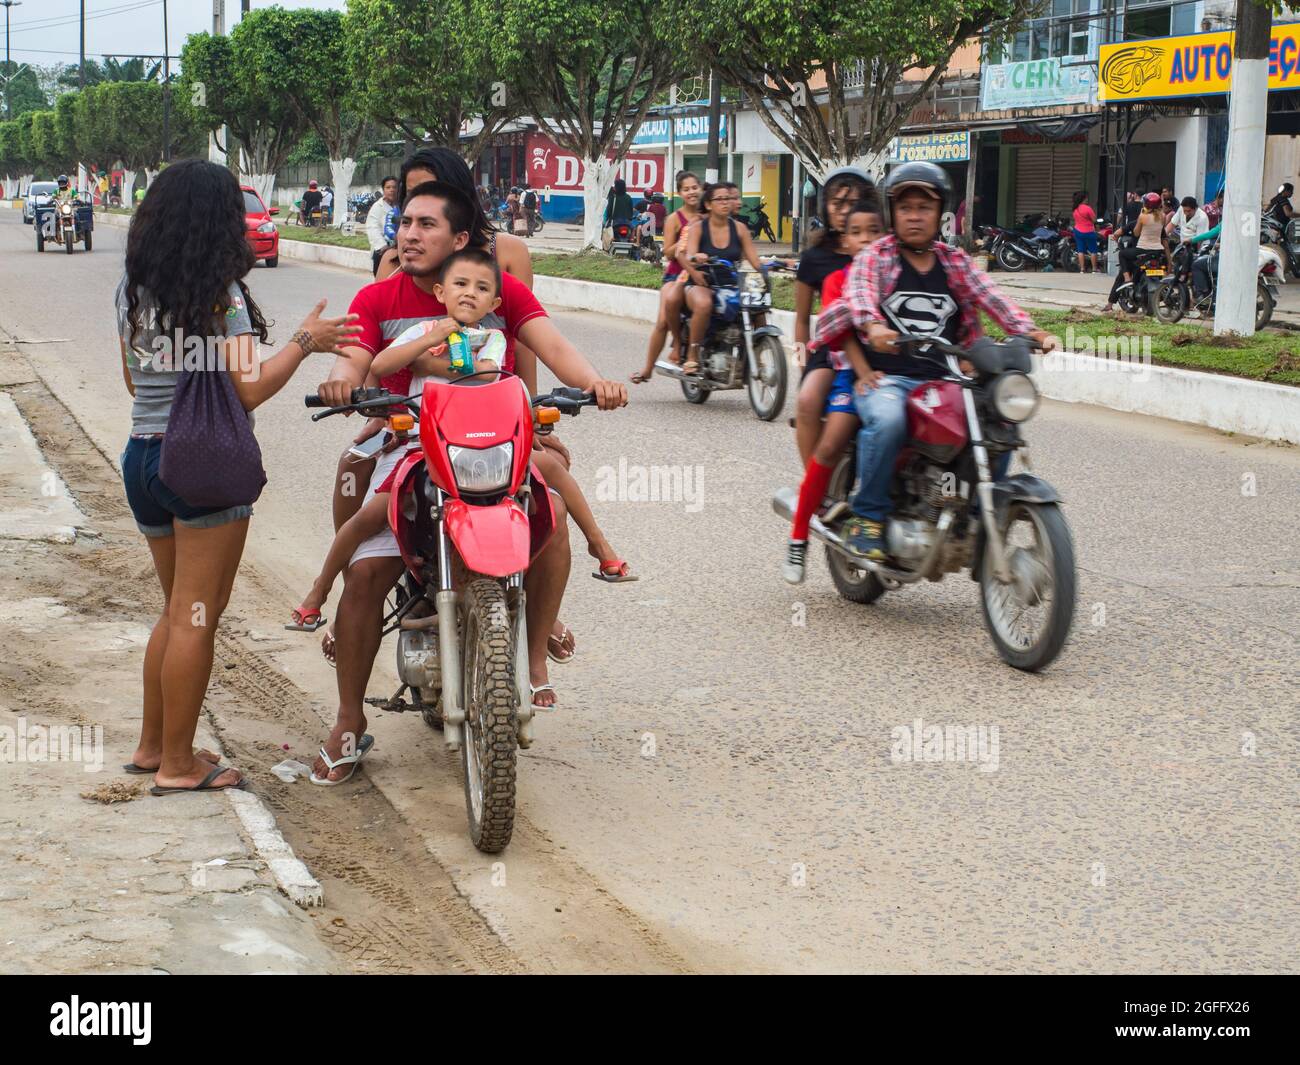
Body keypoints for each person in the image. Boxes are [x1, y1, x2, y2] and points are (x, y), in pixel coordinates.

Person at [310, 181, 628, 782]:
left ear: (459, 238)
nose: (409, 234)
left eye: (427, 225)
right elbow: (354, 360)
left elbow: (553, 346)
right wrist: (341, 381)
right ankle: (349, 720)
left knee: (551, 523)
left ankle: (534, 648)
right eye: (405, 222)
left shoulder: (493, 289)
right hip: (408, 448)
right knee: (369, 571)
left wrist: (598, 382)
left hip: (489, 453)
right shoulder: (378, 296)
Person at [116, 158, 360, 793]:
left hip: (143, 455)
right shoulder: (219, 298)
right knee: (198, 614)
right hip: (198, 464)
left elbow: (132, 380)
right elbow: (248, 390)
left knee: (175, 611)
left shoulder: (132, 290)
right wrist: (307, 342)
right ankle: (178, 765)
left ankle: (151, 747)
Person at [370, 148, 624, 661]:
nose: (418, 218)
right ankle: (354, 600)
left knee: (547, 496)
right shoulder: (394, 269)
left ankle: (536, 619)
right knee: (357, 485)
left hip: (495, 414)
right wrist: (378, 409)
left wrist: (534, 411)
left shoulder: (501, 265)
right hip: (416, 417)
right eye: (411, 203)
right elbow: (382, 352)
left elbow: (527, 341)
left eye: (434, 198)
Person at [813, 161, 1055, 561]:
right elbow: (858, 295)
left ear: (939, 213)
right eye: (905, 207)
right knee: (888, 420)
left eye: (923, 208)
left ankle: (978, 515)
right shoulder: (877, 257)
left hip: (947, 378)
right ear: (892, 213)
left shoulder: (953, 261)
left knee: (998, 420)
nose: (914, 216)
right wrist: (873, 326)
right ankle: (868, 517)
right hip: (887, 378)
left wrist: (1032, 332)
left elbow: (991, 298)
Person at [288, 248, 509, 633]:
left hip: (471, 450)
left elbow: (490, 375)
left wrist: (428, 364)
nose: (470, 293)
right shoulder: (423, 332)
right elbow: (381, 365)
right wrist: (431, 340)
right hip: (421, 448)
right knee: (371, 514)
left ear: (495, 301)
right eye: (460, 284)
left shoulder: (492, 337)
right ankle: (320, 589)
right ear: (440, 292)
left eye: (481, 287)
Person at [782, 196, 886, 583]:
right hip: (849, 372)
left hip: (902, 375)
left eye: (874, 232)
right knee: (831, 440)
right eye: (856, 233)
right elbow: (836, 331)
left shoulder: (895, 272)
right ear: (843, 240)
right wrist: (860, 369)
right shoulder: (836, 279)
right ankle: (798, 536)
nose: (866, 239)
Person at [792, 167, 876, 464]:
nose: (844, 211)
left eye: (852, 203)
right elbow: (802, 320)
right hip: (831, 350)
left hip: (880, 348)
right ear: (825, 207)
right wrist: (802, 366)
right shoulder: (815, 257)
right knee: (807, 401)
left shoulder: (882, 249)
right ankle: (814, 486)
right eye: (836, 204)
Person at [679, 181, 767, 375]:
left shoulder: (740, 229)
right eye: (720, 199)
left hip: (731, 283)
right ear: (709, 204)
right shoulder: (698, 228)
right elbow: (689, 255)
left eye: (728, 198)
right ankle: (693, 355)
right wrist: (696, 258)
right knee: (703, 304)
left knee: (758, 309)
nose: (725, 203)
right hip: (702, 282)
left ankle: (757, 356)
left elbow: (754, 261)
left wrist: (777, 265)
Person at [632, 171, 703, 383]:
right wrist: (687, 241)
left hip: (701, 271)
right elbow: (667, 251)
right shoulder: (674, 218)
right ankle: (648, 368)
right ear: (680, 193)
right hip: (675, 273)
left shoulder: (707, 215)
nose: (691, 192)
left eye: (694, 188)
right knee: (663, 320)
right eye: (686, 189)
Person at [1105, 192, 1164, 312]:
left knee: (1121, 272)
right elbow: (1166, 243)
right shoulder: (1161, 219)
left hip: (1139, 254)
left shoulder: (1140, 219)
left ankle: (1111, 302)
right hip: (1157, 253)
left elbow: (1127, 233)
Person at [365, 175, 400, 276]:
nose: (391, 190)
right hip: (382, 249)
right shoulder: (377, 207)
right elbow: (372, 228)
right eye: (388, 187)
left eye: (394, 187)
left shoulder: (402, 205)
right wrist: (382, 246)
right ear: (383, 189)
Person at [1071, 190, 1099, 274]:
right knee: (1093, 250)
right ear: (1083, 199)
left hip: (1077, 231)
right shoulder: (1088, 208)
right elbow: (1094, 220)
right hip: (1089, 231)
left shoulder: (1075, 209)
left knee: (1080, 250)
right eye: (1086, 198)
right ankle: (1094, 269)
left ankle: (1082, 269)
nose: (1087, 199)